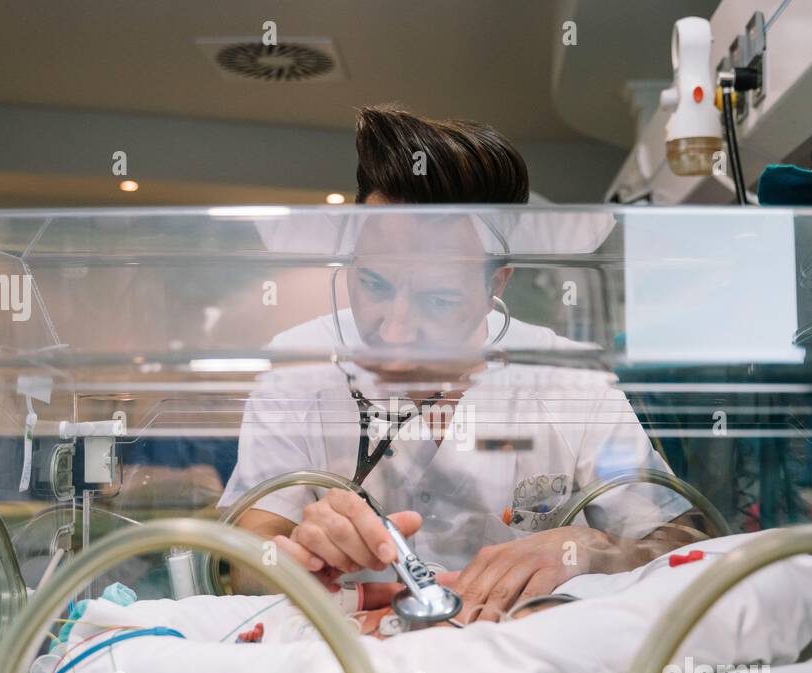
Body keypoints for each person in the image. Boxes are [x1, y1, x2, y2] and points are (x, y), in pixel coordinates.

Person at [220, 105, 701, 619]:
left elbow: (685, 539)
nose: (396, 330)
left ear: (496, 284)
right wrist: (290, 561)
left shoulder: (568, 379)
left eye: (439, 300)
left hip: (518, 661)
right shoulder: (300, 366)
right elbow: (244, 557)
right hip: (353, 658)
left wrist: (591, 548)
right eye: (374, 285)